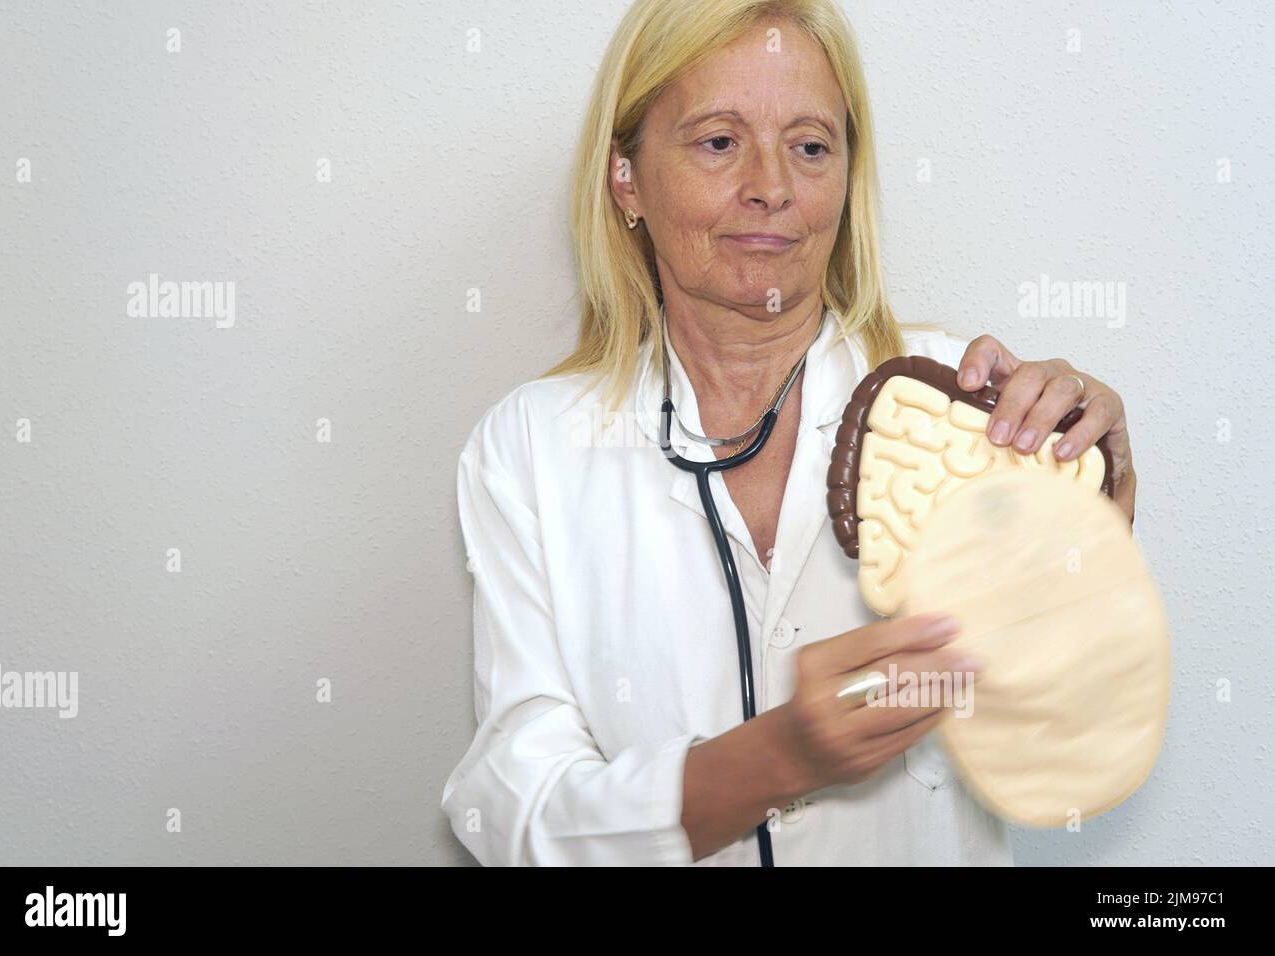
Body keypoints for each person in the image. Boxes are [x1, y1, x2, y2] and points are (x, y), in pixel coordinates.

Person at [442, 0, 1137, 866]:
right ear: (626, 177)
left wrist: (1096, 524)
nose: (771, 184)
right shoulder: (530, 450)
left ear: (848, 175)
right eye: (719, 141)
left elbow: (1066, 728)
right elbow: (512, 811)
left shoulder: (966, 402)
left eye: (810, 145)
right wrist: (779, 757)